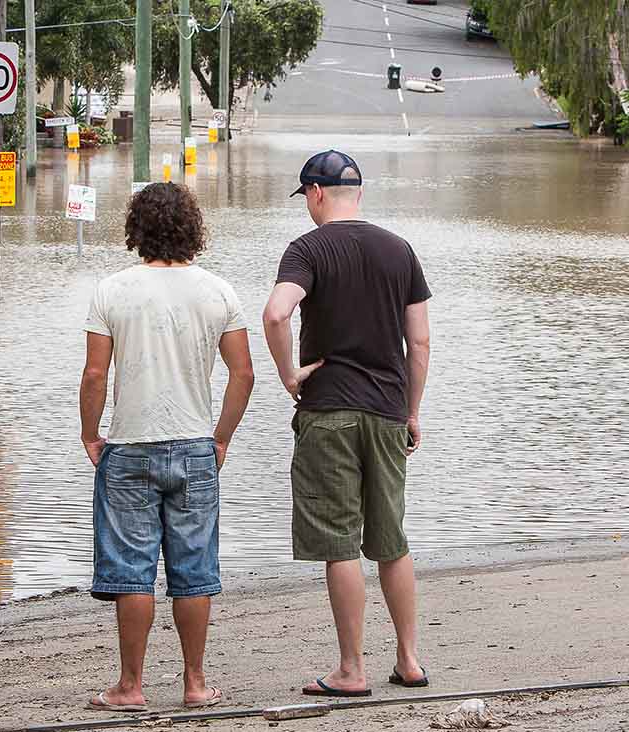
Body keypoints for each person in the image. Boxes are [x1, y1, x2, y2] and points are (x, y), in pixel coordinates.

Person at [262, 150, 432, 697]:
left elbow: (276, 312)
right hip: (387, 413)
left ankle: (352, 669)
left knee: (340, 543)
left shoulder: (307, 249)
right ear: (358, 193)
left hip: (329, 412)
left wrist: (288, 374)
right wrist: (411, 410)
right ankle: (409, 659)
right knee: (391, 541)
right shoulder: (399, 250)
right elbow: (420, 342)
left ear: (315, 193)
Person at [79, 182, 255, 712]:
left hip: (129, 446)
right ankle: (195, 684)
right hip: (196, 444)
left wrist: (90, 433)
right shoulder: (218, 292)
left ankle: (130, 686)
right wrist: (220, 437)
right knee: (193, 569)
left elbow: (94, 374)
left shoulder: (112, 290)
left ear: (136, 229)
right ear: (192, 229)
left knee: (132, 570)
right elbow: (243, 374)